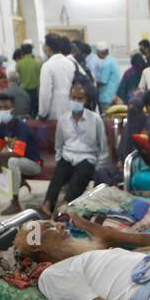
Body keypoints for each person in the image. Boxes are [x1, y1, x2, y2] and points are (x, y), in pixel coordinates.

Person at [40, 80, 107, 216]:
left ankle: (65, 205)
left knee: (80, 178)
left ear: (86, 100)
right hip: (68, 156)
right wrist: (60, 159)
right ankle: (47, 204)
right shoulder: (63, 120)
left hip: (87, 157)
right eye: (74, 98)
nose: (76, 101)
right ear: (70, 98)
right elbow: (59, 144)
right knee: (58, 176)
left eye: (80, 98)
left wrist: (99, 166)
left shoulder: (95, 119)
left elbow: (102, 146)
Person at [0, 90, 41, 216]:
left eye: (6, 107)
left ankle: (15, 203)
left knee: (12, 161)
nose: (2, 110)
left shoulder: (20, 126)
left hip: (33, 164)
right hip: (18, 163)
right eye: (0, 108)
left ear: (12, 109)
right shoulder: (3, 126)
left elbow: (18, 154)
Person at [37, 33, 77, 120]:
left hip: (54, 112)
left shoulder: (47, 66)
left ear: (47, 48)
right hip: (71, 108)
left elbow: (45, 94)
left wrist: (42, 113)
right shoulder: (70, 63)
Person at [92, 41, 119, 111]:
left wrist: (93, 83)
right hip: (114, 95)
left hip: (106, 97)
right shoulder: (113, 60)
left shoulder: (106, 63)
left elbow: (103, 81)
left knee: (107, 119)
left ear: (100, 53)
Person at [16, 43, 41, 115]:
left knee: (26, 112)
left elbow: (18, 79)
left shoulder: (19, 64)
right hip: (35, 92)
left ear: (22, 52)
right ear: (31, 51)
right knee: (35, 111)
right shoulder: (38, 63)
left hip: (23, 91)